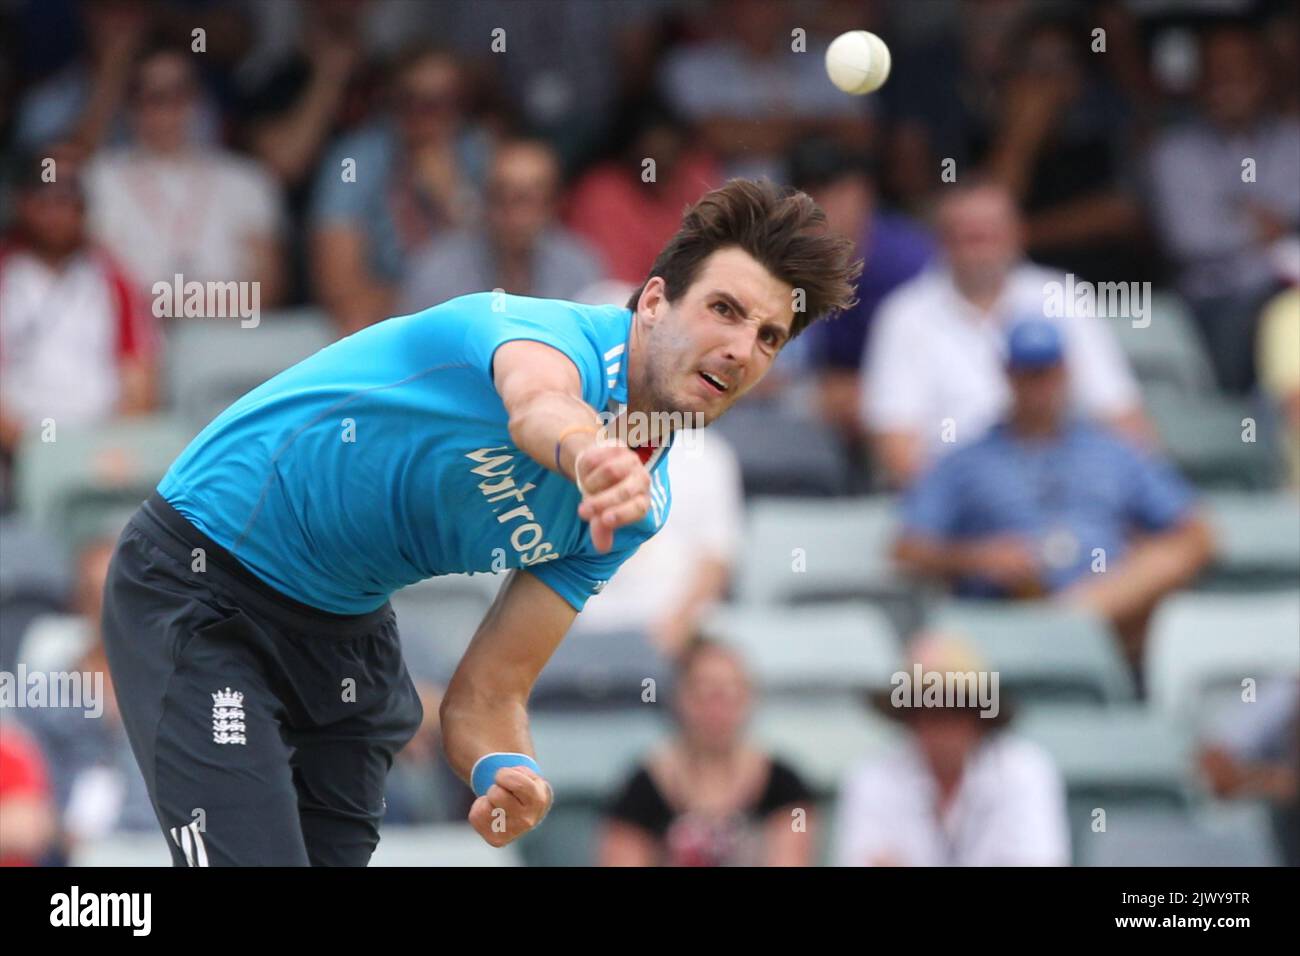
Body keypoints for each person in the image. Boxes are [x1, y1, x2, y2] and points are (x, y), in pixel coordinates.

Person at [100, 178, 860, 866]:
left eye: (768, 337)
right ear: (655, 301)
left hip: (343, 642)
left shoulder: (635, 513)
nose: (739, 348)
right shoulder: (534, 332)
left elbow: (488, 698)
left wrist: (506, 771)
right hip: (202, 587)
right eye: (724, 309)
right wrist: (589, 453)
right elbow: (539, 406)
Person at [892, 320, 1214, 666]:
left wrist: (1125, 572)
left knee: (1171, 555)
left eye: (1047, 373)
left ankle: (1065, 622)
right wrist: (977, 557)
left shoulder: (1111, 450)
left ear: (1065, 372)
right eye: (1028, 374)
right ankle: (1060, 627)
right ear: (1008, 375)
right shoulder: (966, 460)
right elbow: (907, 549)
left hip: (1111, 618)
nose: (1039, 387)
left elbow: (1195, 533)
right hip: (1006, 611)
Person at [861, 181, 1146, 488]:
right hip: (959, 501)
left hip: (1066, 490)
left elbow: (1119, 413)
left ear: (1017, 233)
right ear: (940, 241)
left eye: (990, 233)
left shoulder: (1062, 294)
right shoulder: (904, 314)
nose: (981, 248)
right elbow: (895, 445)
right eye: (968, 236)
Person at [0, 147, 158, 508]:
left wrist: (99, 450)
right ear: (21, 203)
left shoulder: (114, 277)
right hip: (17, 449)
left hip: (104, 444)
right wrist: (35, 452)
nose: (55, 213)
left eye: (65, 200)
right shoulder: (5, 272)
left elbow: (140, 383)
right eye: (44, 200)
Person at [1146, 24, 1300, 393]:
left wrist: (1236, 216)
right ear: (1198, 82)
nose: (1227, 82)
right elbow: (1189, 238)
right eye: (1216, 72)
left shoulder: (1293, 139)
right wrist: (1261, 226)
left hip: (1293, 288)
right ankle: (1245, 431)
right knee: (1263, 321)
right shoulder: (1174, 151)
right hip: (1219, 301)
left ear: (1263, 76)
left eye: (1240, 70)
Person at [834, 633, 1069, 867]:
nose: (942, 729)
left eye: (956, 709)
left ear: (978, 718)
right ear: (911, 719)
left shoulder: (1024, 771)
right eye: (929, 711)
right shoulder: (873, 778)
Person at [84, 43, 286, 308]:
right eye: (153, 97)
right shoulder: (98, 178)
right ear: (130, 104)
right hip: (136, 340)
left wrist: (164, 303)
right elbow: (99, 288)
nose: (168, 109)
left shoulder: (247, 179)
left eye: (179, 94)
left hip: (229, 340)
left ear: (197, 100)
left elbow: (265, 291)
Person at [600, 638, 817, 866]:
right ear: (679, 699)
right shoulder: (640, 789)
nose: (716, 710)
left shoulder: (785, 786)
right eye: (703, 694)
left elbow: (791, 857)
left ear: (748, 700)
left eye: (729, 694)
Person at [398, 139, 603, 310]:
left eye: (527, 199)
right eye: (500, 196)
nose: (513, 213)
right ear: (485, 200)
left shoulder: (579, 268)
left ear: (553, 204)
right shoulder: (437, 269)